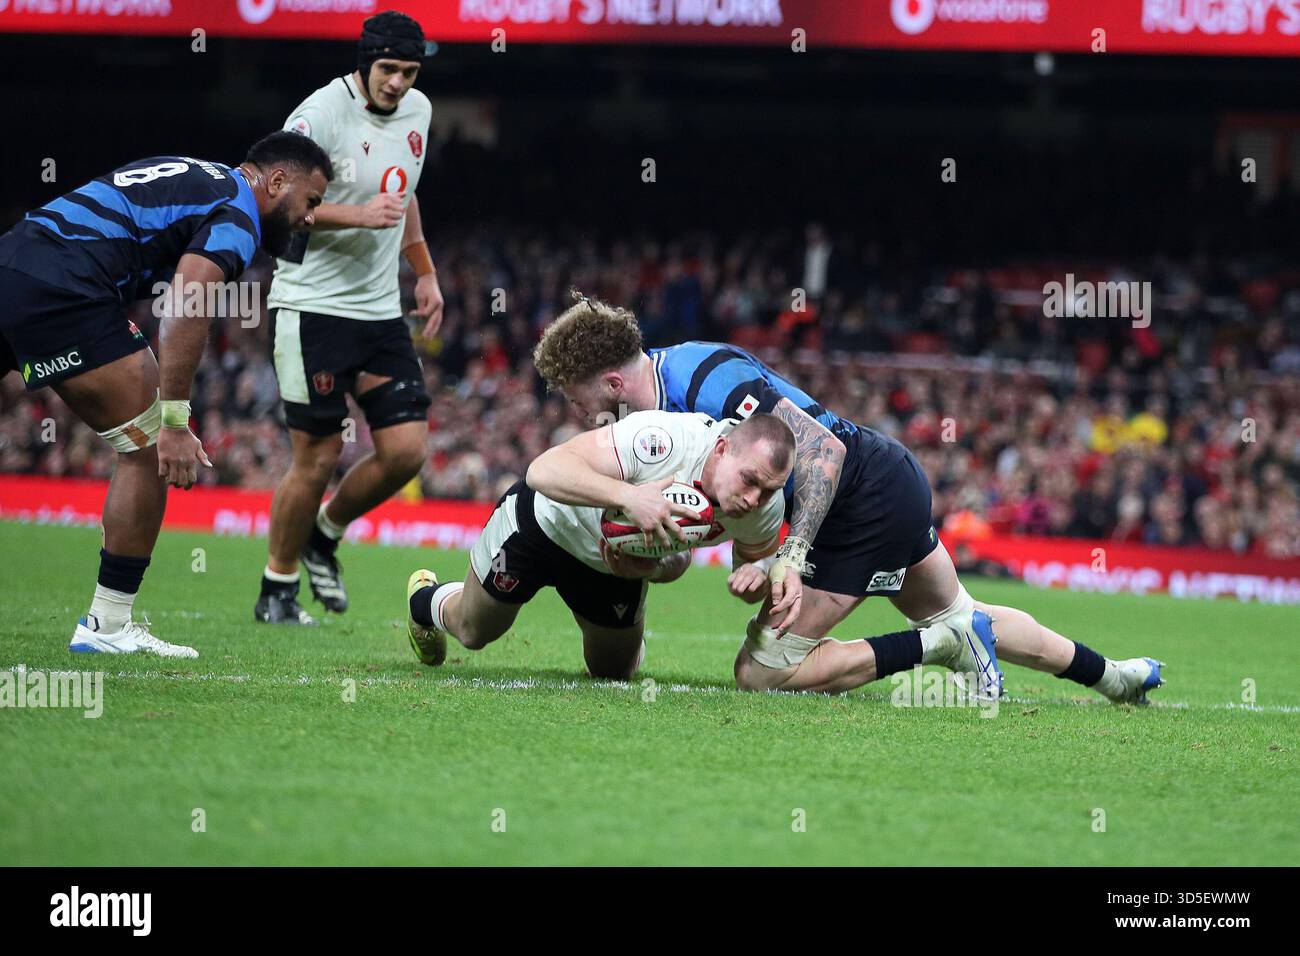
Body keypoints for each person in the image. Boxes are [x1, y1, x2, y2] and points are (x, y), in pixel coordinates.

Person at [530, 292, 1166, 704]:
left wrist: (791, 554)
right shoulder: (663, 413)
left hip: (861, 496)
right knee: (961, 609)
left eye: (573, 395)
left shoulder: (702, 377)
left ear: (609, 381)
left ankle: (939, 646)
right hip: (883, 485)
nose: (578, 412)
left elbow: (821, 453)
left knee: (763, 674)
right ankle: (1114, 677)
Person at [0, 133, 332, 657]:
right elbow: (187, 302)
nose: (311, 217)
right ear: (276, 181)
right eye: (311, 201)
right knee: (148, 442)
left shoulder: (200, 173)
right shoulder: (239, 213)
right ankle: (107, 625)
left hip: (16, 256)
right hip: (64, 284)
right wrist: (175, 421)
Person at [257, 10, 444, 626]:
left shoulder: (419, 112)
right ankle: (276, 590)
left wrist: (425, 271)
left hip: (379, 311)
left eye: (408, 71)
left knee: (407, 450)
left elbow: (405, 192)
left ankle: (324, 534)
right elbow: (276, 200)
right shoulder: (320, 115)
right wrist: (358, 215)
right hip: (312, 307)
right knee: (315, 457)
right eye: (388, 69)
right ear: (364, 63)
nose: (397, 82)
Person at [404, 411, 797, 679]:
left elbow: (749, 572)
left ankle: (620, 629)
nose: (754, 499)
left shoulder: (764, 507)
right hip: (545, 524)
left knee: (614, 674)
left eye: (768, 490)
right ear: (723, 448)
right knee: (473, 632)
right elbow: (543, 470)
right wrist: (628, 498)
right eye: (750, 480)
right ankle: (424, 599)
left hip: (613, 563)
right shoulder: (662, 440)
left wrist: (755, 576)